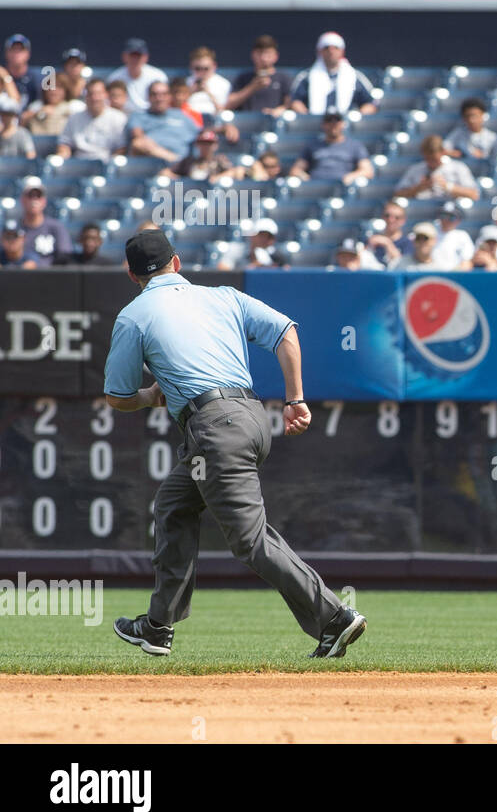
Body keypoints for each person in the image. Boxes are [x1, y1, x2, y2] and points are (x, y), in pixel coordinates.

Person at [104, 229, 366, 659]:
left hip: (213, 429)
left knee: (249, 541)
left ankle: (334, 617)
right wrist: (295, 398)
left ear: (132, 275)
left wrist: (151, 395)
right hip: (251, 418)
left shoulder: (134, 315)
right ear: (178, 262)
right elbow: (285, 333)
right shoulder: (224, 295)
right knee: (173, 505)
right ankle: (157, 626)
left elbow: (117, 396)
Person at [290, 32, 377, 116]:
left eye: (335, 48)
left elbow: (370, 104)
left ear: (342, 51)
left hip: (345, 127)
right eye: (326, 48)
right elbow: (295, 101)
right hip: (314, 128)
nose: (331, 52)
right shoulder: (306, 77)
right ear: (320, 51)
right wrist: (309, 119)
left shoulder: (356, 77)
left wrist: (354, 118)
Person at [288, 108, 373, 184]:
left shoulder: (355, 146)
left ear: (343, 123)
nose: (333, 124)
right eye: (329, 121)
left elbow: (367, 171)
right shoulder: (312, 145)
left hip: (341, 187)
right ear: (323, 125)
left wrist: (352, 176)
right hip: (317, 187)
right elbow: (295, 170)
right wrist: (305, 177)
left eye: (336, 120)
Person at [127, 81, 200, 164]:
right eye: (155, 95)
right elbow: (138, 139)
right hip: (154, 164)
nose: (159, 98)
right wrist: (172, 159)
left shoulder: (181, 115)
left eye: (164, 94)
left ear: (169, 97)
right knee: (138, 143)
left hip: (187, 163)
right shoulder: (139, 116)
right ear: (148, 97)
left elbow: (200, 135)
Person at [56, 79, 127, 161]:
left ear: (106, 95)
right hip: (80, 163)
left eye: (99, 93)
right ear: (86, 96)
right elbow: (64, 144)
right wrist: (62, 156)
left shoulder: (119, 118)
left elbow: (122, 148)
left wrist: (111, 165)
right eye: (90, 94)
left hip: (106, 163)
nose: (94, 98)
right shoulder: (74, 118)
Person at [393, 134, 479, 201]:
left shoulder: (458, 167)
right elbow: (398, 194)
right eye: (427, 158)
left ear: (443, 152)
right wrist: (419, 188)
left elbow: (474, 194)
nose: (431, 162)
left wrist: (448, 186)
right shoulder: (416, 169)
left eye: (434, 159)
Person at [227, 35, 294, 116]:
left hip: (274, 124)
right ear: (253, 55)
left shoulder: (283, 77)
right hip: (248, 125)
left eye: (268, 53)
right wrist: (253, 87)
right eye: (260, 53)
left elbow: (291, 103)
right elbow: (229, 104)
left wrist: (281, 109)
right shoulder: (243, 78)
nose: (264, 58)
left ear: (276, 56)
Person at [17, 177, 73, 266]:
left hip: (50, 277)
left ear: (44, 201)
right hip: (20, 277)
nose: (34, 200)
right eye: (30, 196)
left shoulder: (56, 227)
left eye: (38, 196)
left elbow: (65, 256)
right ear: (22, 199)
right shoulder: (15, 229)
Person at [106, 38, 167, 113]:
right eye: (132, 55)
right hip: (124, 117)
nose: (135, 59)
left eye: (138, 56)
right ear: (124, 56)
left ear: (145, 57)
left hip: (152, 116)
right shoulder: (114, 78)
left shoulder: (158, 76)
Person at [161, 129, 243, 182]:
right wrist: (182, 181)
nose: (206, 146)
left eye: (209, 143)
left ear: (215, 145)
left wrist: (217, 178)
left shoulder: (219, 160)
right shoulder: (188, 162)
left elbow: (236, 171)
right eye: (203, 143)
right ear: (197, 144)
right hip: (189, 196)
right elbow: (164, 172)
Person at [444, 97, 497, 162]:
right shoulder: (458, 133)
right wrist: (460, 154)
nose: (471, 120)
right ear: (463, 118)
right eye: (468, 116)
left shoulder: (493, 137)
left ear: (482, 115)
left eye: (475, 115)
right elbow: (444, 149)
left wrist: (484, 156)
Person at [186, 46, 231, 116]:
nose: (201, 72)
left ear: (214, 66)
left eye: (206, 68)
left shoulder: (223, 84)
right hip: (189, 119)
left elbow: (222, 110)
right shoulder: (186, 82)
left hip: (212, 121)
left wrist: (208, 92)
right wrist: (190, 92)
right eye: (197, 68)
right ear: (191, 67)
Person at [2, 34, 42, 109]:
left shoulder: (37, 77)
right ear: (6, 53)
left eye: (20, 50)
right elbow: (15, 105)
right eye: (13, 49)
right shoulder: (1, 75)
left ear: (28, 54)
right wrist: (5, 77)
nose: (16, 54)